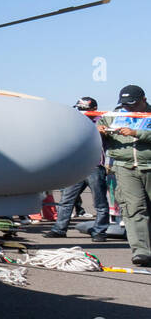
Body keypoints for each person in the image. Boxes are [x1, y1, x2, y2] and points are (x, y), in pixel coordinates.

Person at [99, 84, 151, 266]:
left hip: (149, 165)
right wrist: (99, 132)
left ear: (144, 100)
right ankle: (142, 252)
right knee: (134, 208)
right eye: (125, 104)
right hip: (125, 168)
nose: (128, 108)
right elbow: (94, 128)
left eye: (133, 104)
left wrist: (138, 133)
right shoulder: (113, 116)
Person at [48, 97, 110, 241]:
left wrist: (101, 131)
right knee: (66, 199)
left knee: (99, 202)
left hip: (95, 166)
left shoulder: (102, 121)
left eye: (84, 109)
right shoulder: (75, 123)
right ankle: (59, 229)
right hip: (77, 167)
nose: (81, 112)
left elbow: (108, 136)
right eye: (79, 109)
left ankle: (100, 231)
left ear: (94, 109)